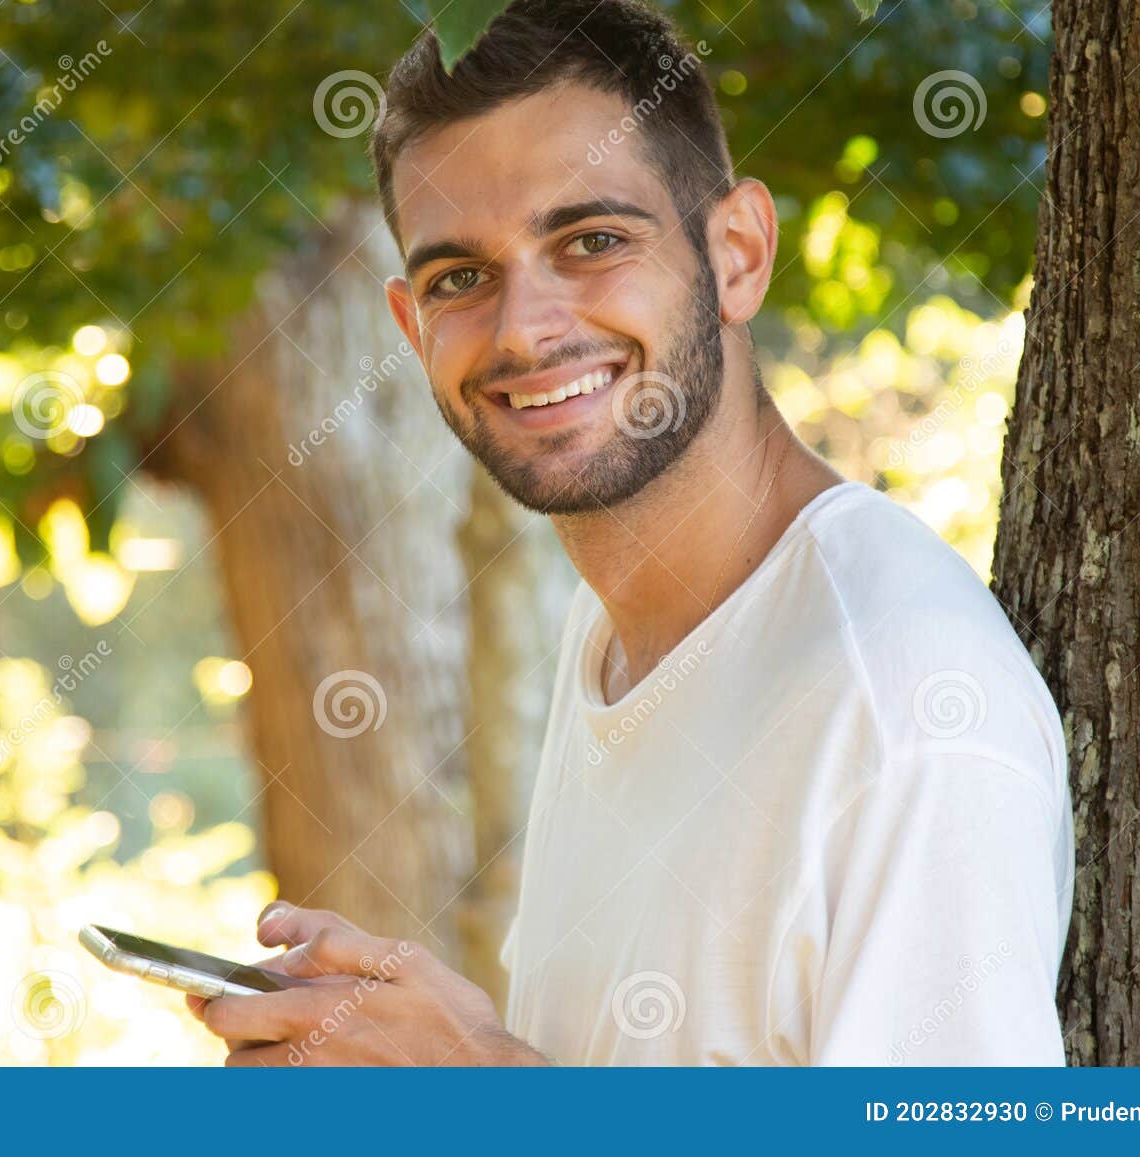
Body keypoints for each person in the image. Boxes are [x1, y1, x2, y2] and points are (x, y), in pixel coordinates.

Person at [190, 0, 1074, 1066]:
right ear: (409, 325)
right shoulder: (610, 634)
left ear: (738, 252)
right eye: (459, 277)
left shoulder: (897, 704)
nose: (524, 329)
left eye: (592, 239)